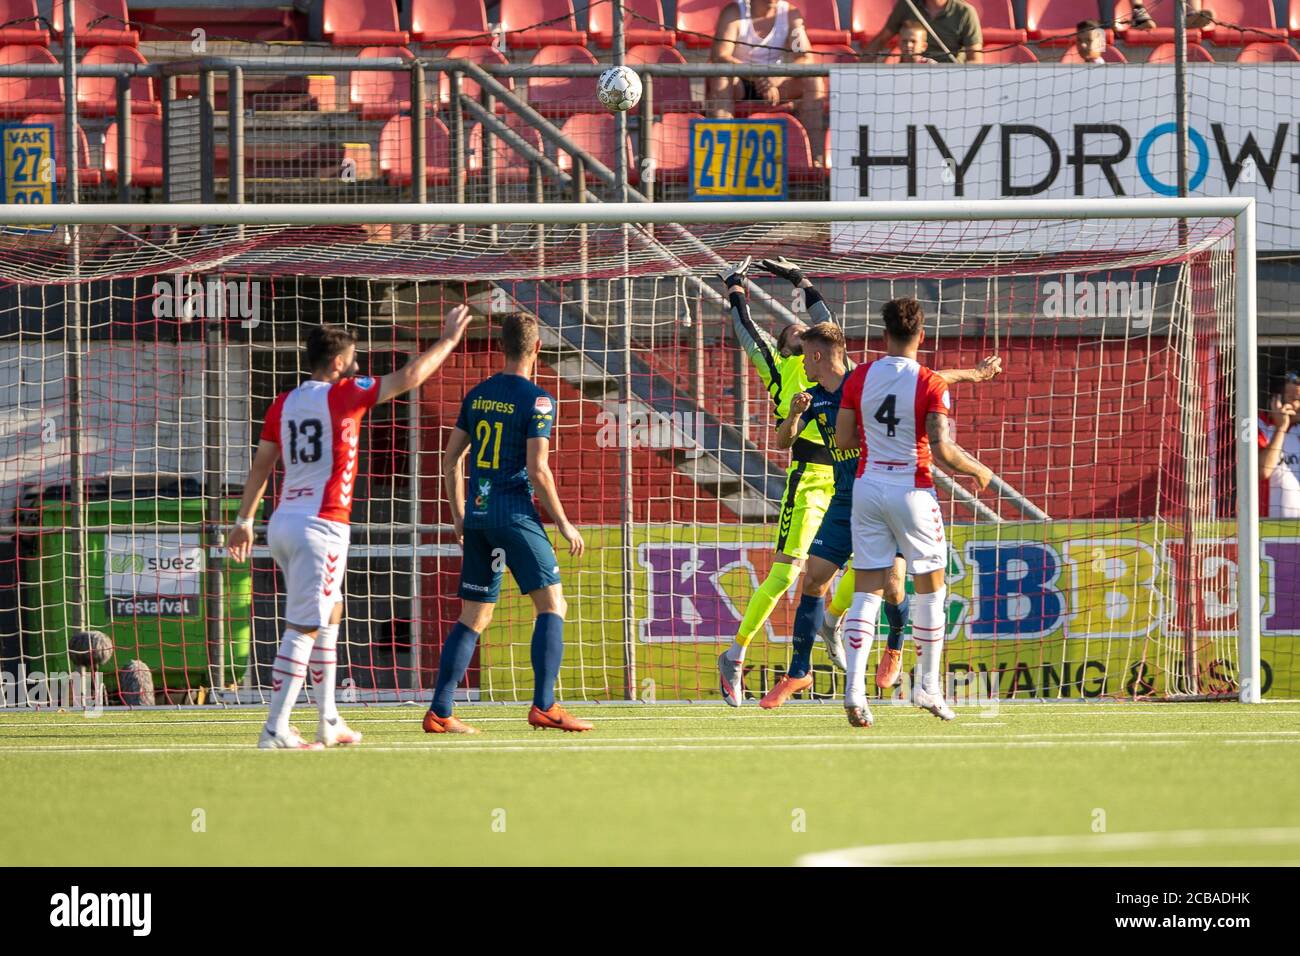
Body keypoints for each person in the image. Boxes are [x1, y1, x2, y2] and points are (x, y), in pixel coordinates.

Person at [228, 306, 473, 749]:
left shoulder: (283, 403)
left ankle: (328, 720)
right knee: (303, 625)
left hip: (283, 521)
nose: (357, 366)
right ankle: (275, 728)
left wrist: (245, 520)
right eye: (354, 359)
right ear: (339, 364)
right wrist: (448, 342)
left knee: (330, 614)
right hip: (321, 526)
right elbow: (410, 377)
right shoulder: (344, 394)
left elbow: (262, 465)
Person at [762, 316, 1001, 710]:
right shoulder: (811, 395)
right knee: (813, 581)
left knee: (892, 587)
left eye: (804, 355)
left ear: (818, 354)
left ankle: (894, 646)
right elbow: (783, 440)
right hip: (843, 501)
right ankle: (798, 671)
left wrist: (975, 376)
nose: (799, 362)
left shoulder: (866, 382)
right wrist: (791, 415)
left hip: (882, 494)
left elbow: (930, 376)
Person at [423, 313, 591, 734]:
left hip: (478, 518)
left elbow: (450, 461)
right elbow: (539, 471)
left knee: (474, 617)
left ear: (501, 347)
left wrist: (460, 516)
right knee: (552, 606)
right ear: (537, 348)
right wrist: (566, 524)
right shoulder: (538, 400)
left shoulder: (478, 395)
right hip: (514, 515)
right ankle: (545, 706)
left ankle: (440, 712)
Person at [835, 297, 994, 728]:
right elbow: (942, 449)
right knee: (932, 588)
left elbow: (845, 438)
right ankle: (927, 685)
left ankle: (853, 690)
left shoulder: (860, 376)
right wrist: (978, 470)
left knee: (866, 589)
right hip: (913, 489)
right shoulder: (929, 382)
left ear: (883, 335)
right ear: (921, 336)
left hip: (867, 488)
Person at [707, 0, 828, 166]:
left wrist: (775, 77)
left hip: (776, 85)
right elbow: (720, 56)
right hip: (740, 83)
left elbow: (805, 57)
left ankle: (815, 160)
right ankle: (719, 160)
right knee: (720, 78)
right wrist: (757, 75)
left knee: (813, 81)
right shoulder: (734, 12)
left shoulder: (790, 14)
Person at [864, 0, 983, 64]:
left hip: (948, 79)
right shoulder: (906, 5)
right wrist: (859, 70)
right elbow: (881, 40)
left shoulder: (965, 12)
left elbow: (975, 59)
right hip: (909, 75)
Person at [1259, 370, 1300, 518]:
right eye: (1292, 399)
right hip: (1268, 527)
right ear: (1275, 400)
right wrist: (1281, 428)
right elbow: (1262, 471)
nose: (1296, 405)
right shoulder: (1258, 425)